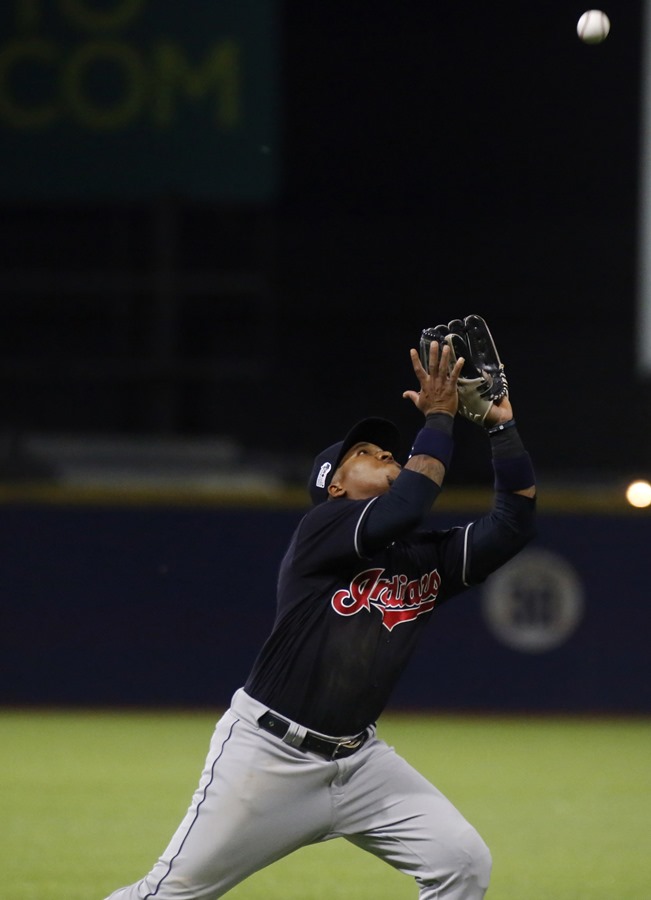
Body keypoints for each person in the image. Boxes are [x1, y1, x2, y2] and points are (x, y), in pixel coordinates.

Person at [104, 338, 536, 900]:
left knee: (462, 862)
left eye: (388, 451)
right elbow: (409, 502)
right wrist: (438, 415)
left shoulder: (423, 557)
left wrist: (502, 429)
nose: (385, 454)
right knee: (166, 895)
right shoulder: (325, 529)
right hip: (268, 759)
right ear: (334, 485)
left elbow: (512, 526)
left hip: (360, 763)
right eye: (365, 453)